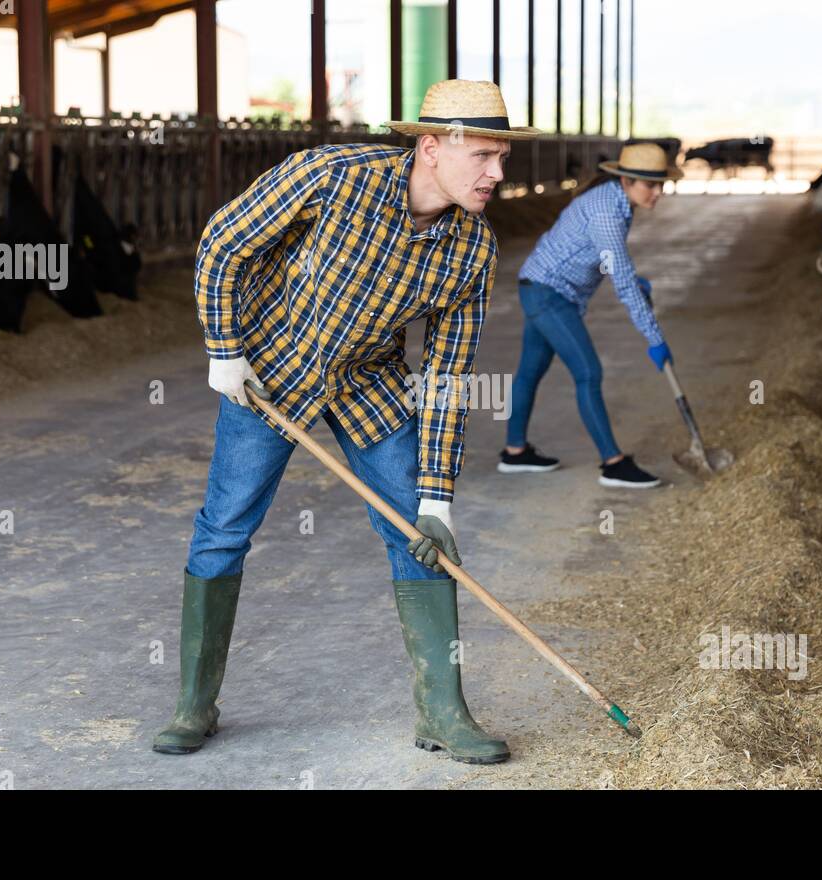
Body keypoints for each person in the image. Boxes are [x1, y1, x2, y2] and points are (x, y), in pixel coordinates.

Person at [153, 80, 540, 764]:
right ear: (429, 147)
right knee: (224, 527)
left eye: (501, 156)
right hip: (268, 374)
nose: (497, 174)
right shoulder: (331, 177)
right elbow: (222, 243)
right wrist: (224, 350)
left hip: (368, 383)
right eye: (483, 156)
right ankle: (194, 702)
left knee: (422, 538)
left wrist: (437, 498)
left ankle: (443, 711)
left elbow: (448, 380)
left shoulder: (471, 249)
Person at [499, 142, 680, 488]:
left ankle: (515, 451)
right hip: (549, 294)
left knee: (530, 371)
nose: (658, 192)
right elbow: (622, 281)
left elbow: (607, 260)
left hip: (537, 285)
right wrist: (655, 338)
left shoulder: (616, 201)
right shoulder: (607, 213)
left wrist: (629, 277)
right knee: (588, 372)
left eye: (661, 184)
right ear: (626, 180)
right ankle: (613, 463)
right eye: (650, 184)